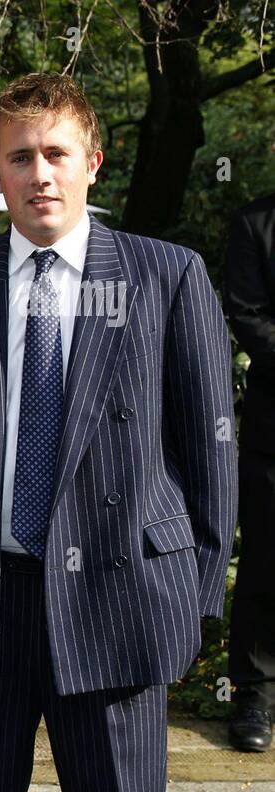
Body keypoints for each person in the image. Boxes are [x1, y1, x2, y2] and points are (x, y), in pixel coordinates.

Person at [0, 73, 237, 792]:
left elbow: (210, 446)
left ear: (95, 161)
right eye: (20, 156)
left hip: (120, 600)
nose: (39, 172)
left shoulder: (167, 275)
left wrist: (194, 599)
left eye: (56, 152)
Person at [224, 192, 275, 752]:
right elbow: (248, 315)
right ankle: (254, 698)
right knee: (264, 564)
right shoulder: (255, 220)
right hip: (273, 427)